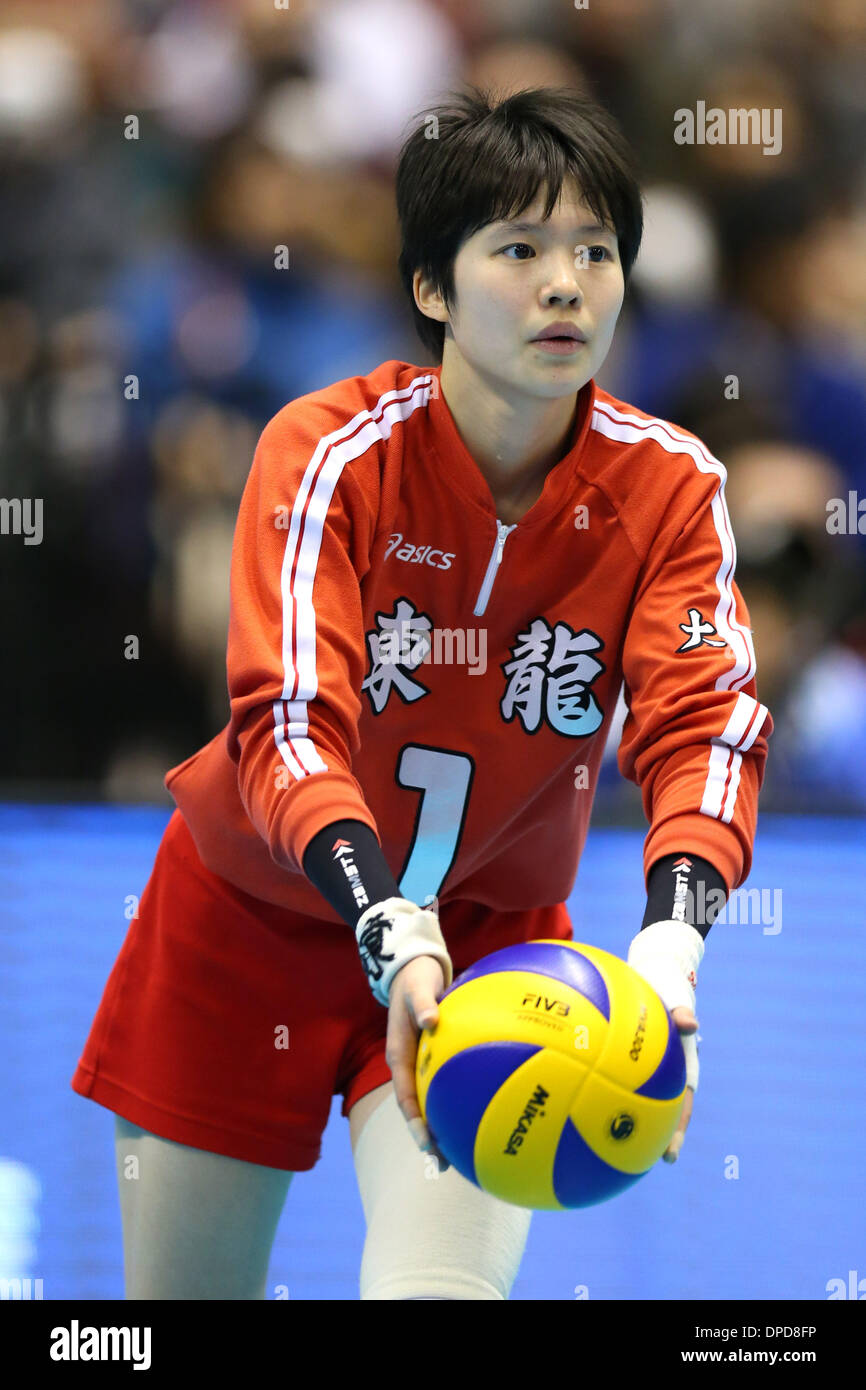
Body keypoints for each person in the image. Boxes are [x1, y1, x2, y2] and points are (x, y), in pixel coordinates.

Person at [71, 86, 773, 1301]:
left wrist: (670, 941)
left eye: (595, 252)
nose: (565, 286)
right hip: (246, 928)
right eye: (519, 250)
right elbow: (288, 721)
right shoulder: (327, 452)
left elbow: (705, 726)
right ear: (430, 288)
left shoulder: (670, 488)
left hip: (494, 955)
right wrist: (380, 921)